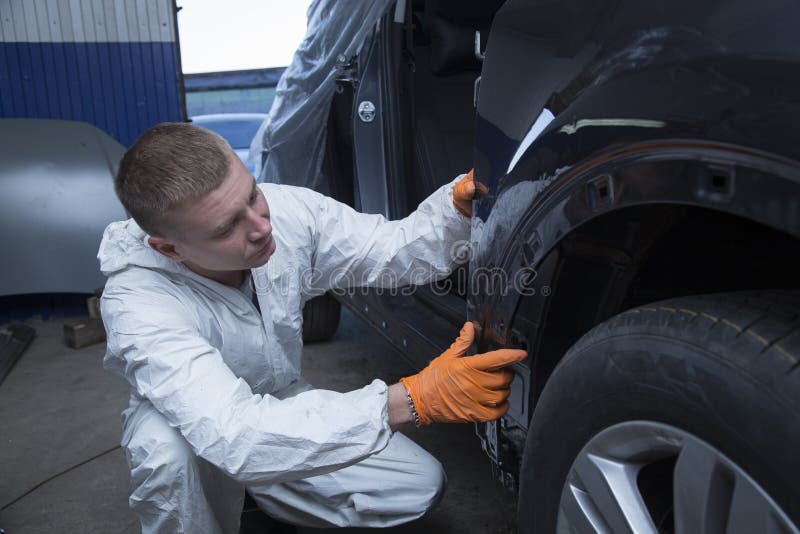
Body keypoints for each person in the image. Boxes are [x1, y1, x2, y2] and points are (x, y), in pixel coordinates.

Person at [99, 122, 526, 533]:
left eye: (251, 193)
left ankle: (258, 489)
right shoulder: (138, 304)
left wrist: (452, 212)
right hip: (195, 427)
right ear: (169, 249)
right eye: (228, 226)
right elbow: (235, 432)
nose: (262, 226)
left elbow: (385, 250)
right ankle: (222, 493)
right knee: (165, 456)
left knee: (414, 487)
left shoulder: (287, 212)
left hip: (279, 396)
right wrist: (414, 398)